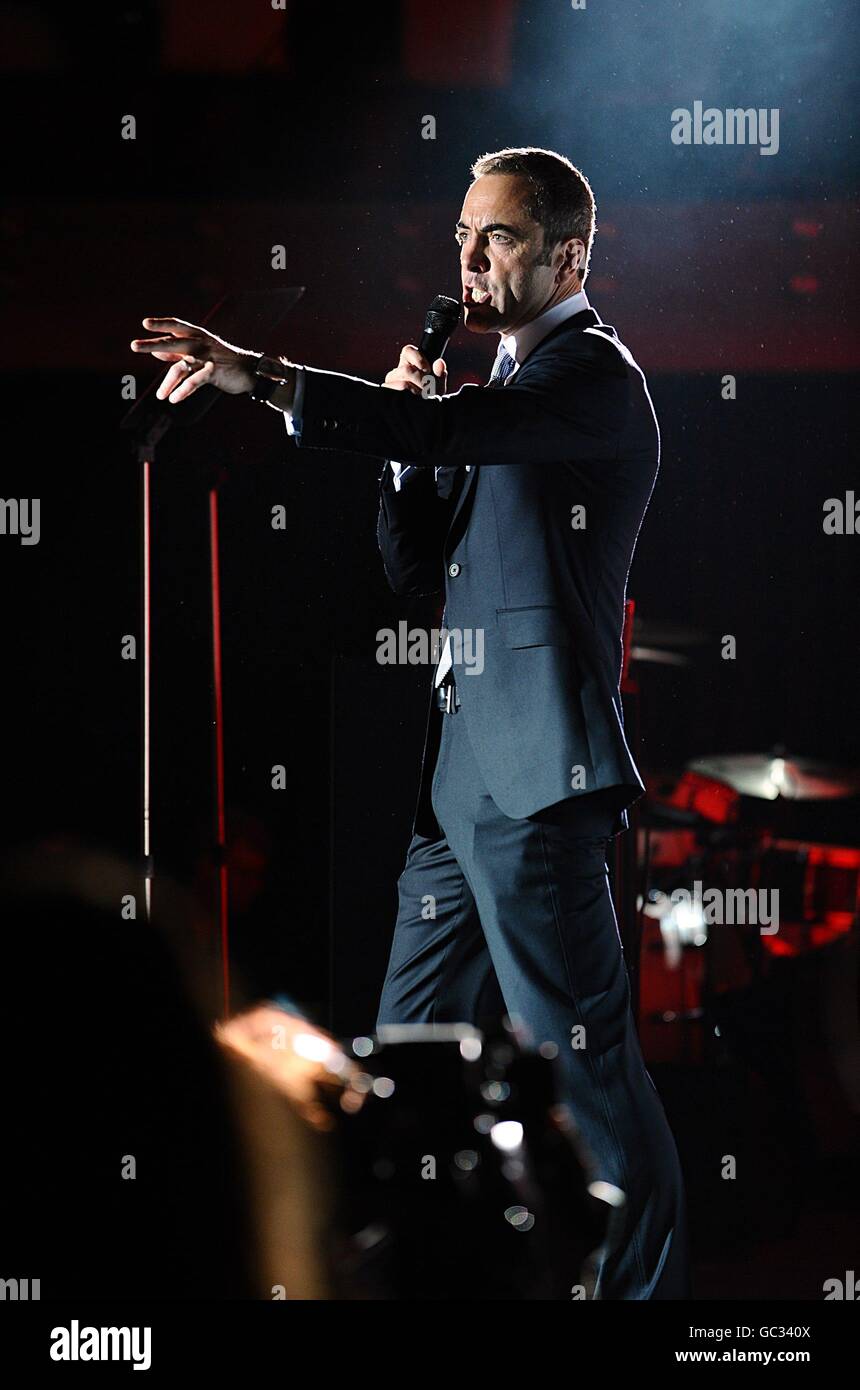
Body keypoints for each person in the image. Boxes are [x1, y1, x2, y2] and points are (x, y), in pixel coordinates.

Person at [131, 145, 690, 1299]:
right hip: (458, 785)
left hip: (538, 782)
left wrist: (272, 379)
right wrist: (401, 442)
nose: (469, 260)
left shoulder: (588, 376)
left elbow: (456, 439)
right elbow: (408, 567)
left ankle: (645, 1299)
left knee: (585, 1075)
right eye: (461, 237)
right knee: (407, 1051)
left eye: (496, 237)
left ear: (566, 255)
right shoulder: (489, 401)